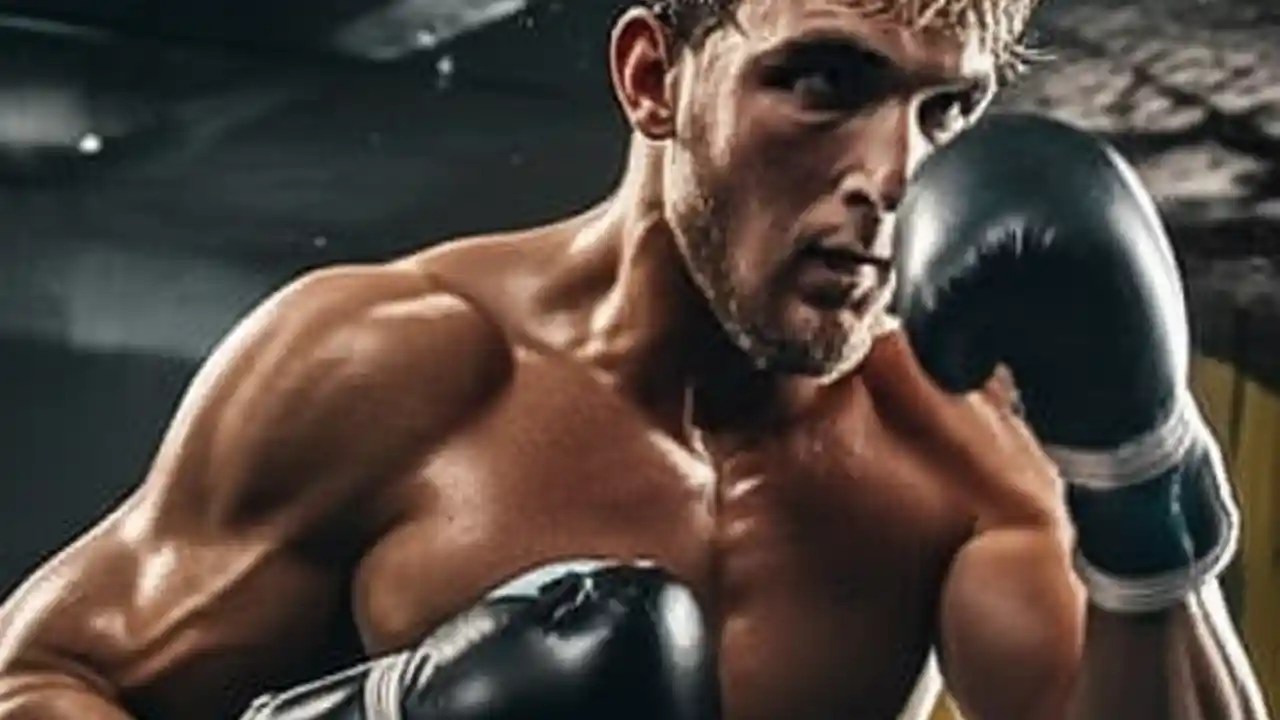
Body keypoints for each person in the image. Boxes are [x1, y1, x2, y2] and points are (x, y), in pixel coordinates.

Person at [0, 1, 1268, 718]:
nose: (892, 179)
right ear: (654, 76)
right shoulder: (390, 364)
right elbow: (39, 682)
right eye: (823, 84)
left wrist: (1140, 470)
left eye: (944, 111)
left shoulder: (960, 453)